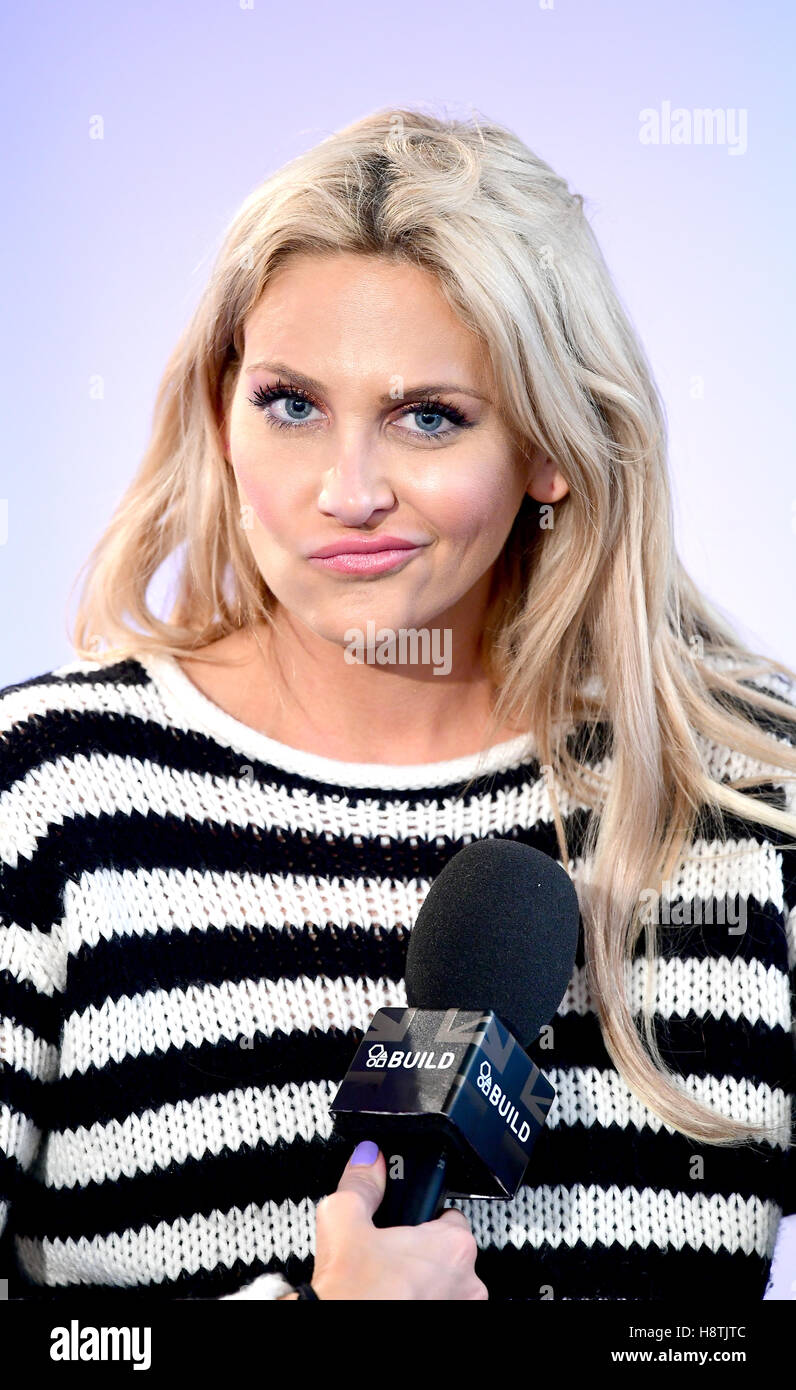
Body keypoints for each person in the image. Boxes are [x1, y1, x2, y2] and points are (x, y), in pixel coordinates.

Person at [1, 106, 794, 1303]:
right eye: (290, 403)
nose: (347, 490)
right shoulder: (45, 795)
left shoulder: (750, 797)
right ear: (221, 412)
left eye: (430, 416)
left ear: (550, 445)